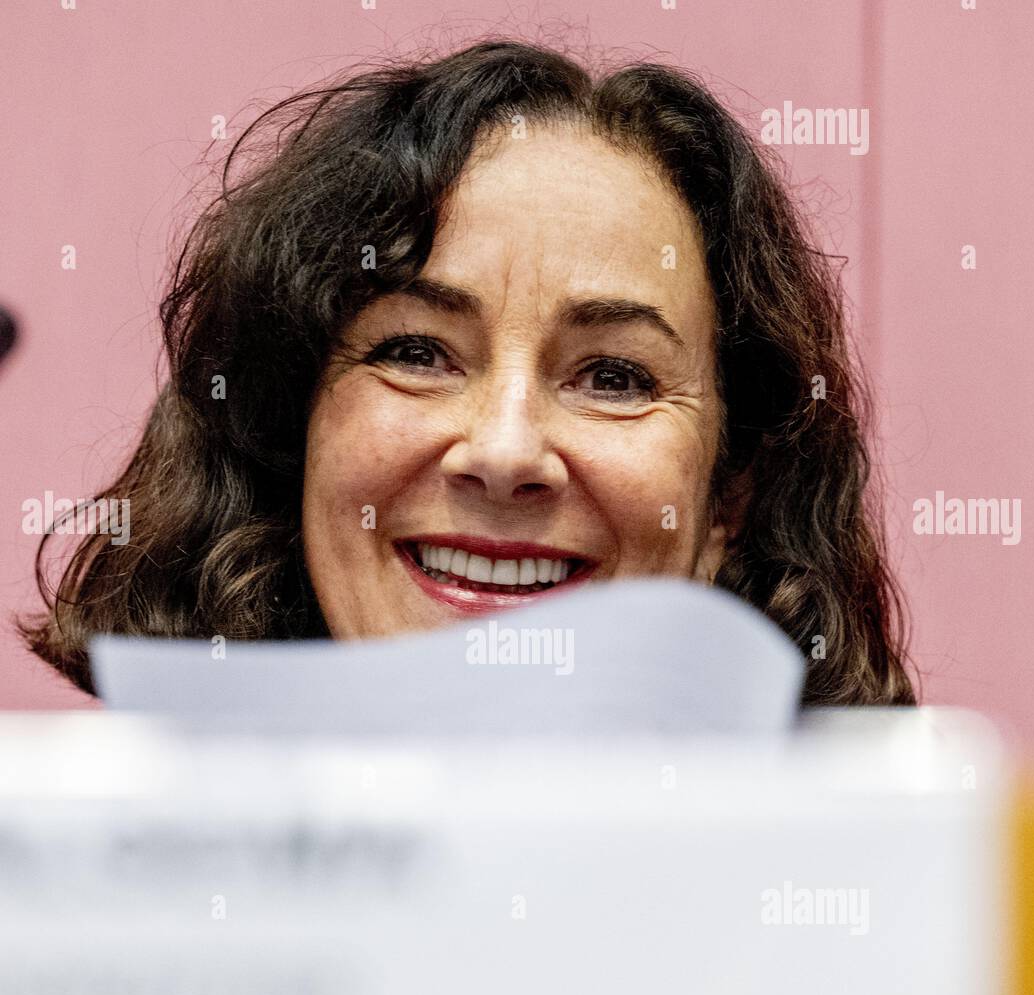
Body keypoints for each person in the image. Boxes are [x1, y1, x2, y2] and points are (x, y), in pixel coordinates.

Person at [22, 39, 914, 706]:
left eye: (613, 377)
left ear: (731, 496)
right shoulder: (77, 903)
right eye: (415, 353)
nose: (504, 451)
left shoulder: (874, 923)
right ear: (288, 432)